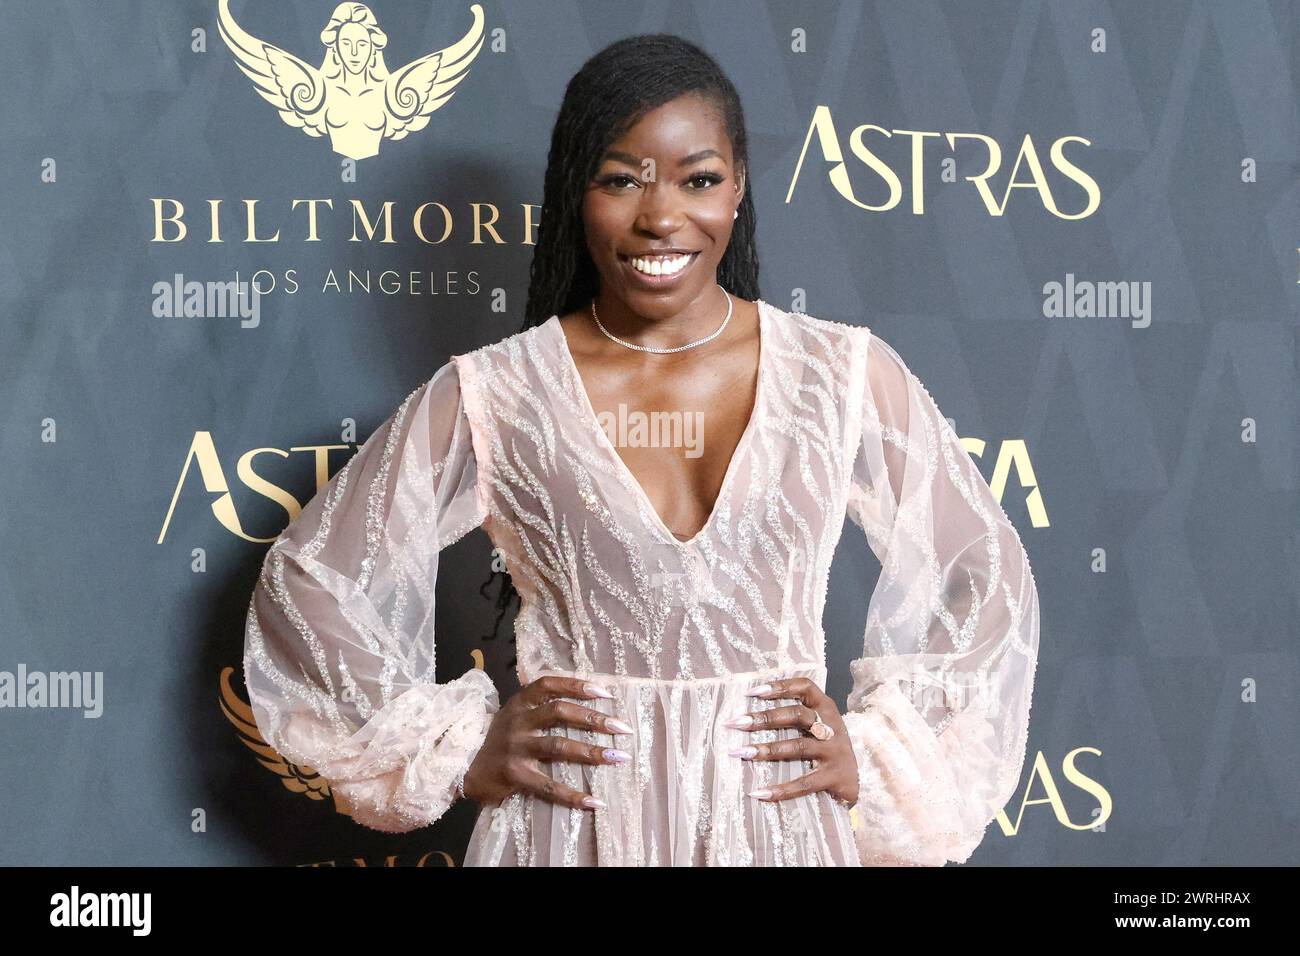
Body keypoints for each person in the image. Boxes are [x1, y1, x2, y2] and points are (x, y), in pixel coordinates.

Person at [242, 34, 1040, 867]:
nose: (662, 216)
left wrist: (876, 755)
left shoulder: (841, 374)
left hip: (777, 826)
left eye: (700, 179)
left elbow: (980, 569)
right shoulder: (501, 390)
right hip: (569, 826)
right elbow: (312, 580)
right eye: (621, 180)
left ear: (738, 190)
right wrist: (460, 749)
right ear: (575, 194)